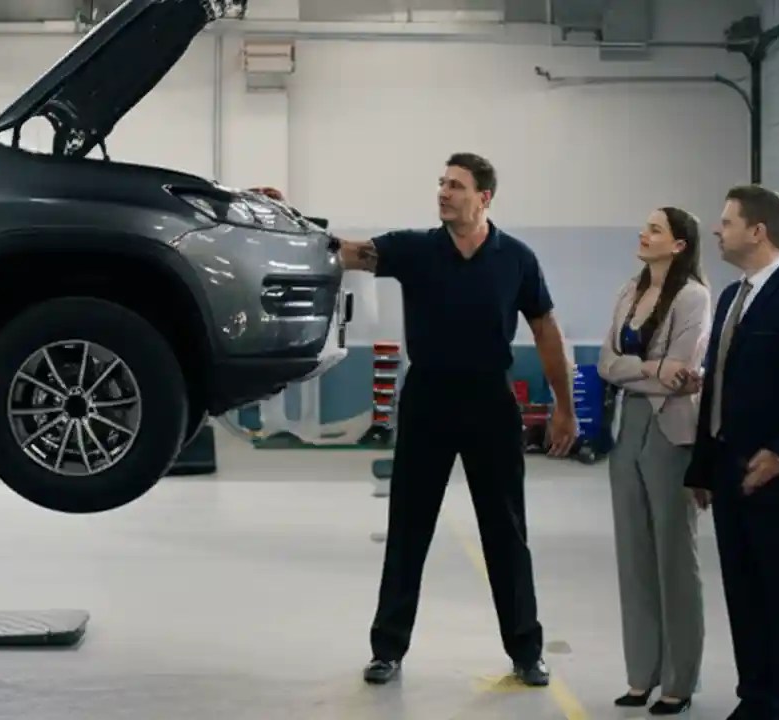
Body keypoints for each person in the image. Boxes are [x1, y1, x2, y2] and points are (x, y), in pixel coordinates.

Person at [257, 152, 579, 687]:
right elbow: (349, 254)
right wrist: (291, 222)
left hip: (490, 402)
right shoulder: (415, 248)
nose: (444, 192)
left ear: (484, 198)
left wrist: (563, 408)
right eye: (441, 183)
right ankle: (388, 649)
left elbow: (546, 330)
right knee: (409, 527)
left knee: (506, 530)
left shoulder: (516, 259)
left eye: (456, 185)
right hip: (429, 397)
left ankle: (526, 650)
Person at [682, 185, 779, 720]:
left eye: (726, 222)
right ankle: (758, 699)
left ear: (758, 231)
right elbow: (717, 390)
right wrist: (702, 467)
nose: (718, 230)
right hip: (728, 477)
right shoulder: (730, 298)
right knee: (745, 597)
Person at [597, 207, 712, 716]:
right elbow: (606, 365)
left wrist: (644, 373)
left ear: (679, 244)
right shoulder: (628, 291)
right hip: (628, 431)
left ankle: (678, 683)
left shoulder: (694, 297)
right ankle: (640, 676)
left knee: (674, 559)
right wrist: (649, 368)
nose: (643, 234)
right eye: (645, 226)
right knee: (634, 557)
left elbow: (682, 373)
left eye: (655, 229)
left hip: (671, 431)